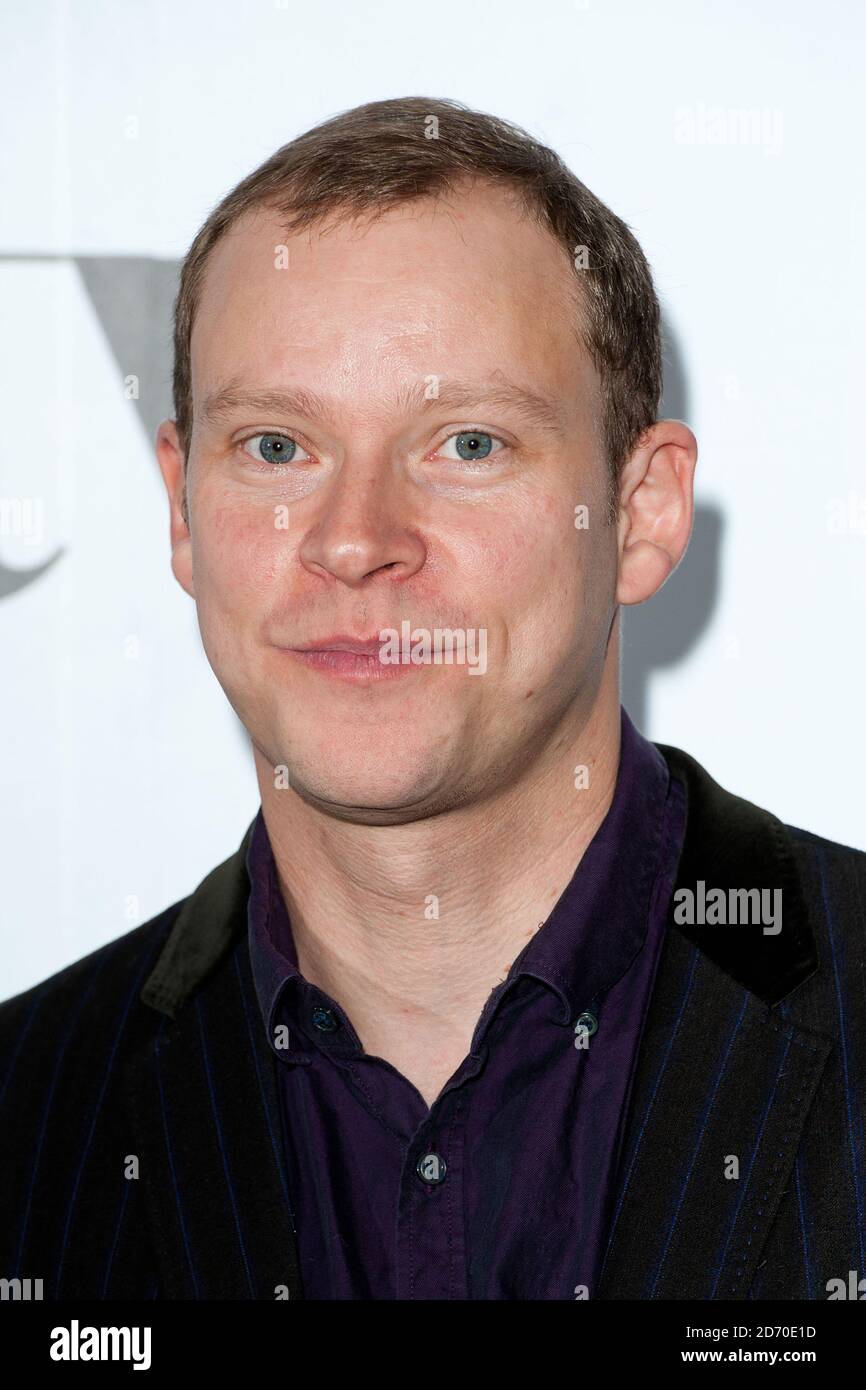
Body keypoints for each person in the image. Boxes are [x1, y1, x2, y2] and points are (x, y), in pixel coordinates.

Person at [1, 96, 863, 1302]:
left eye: (465, 444)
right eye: (275, 447)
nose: (354, 541)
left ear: (640, 513)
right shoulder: (26, 1107)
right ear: (182, 510)